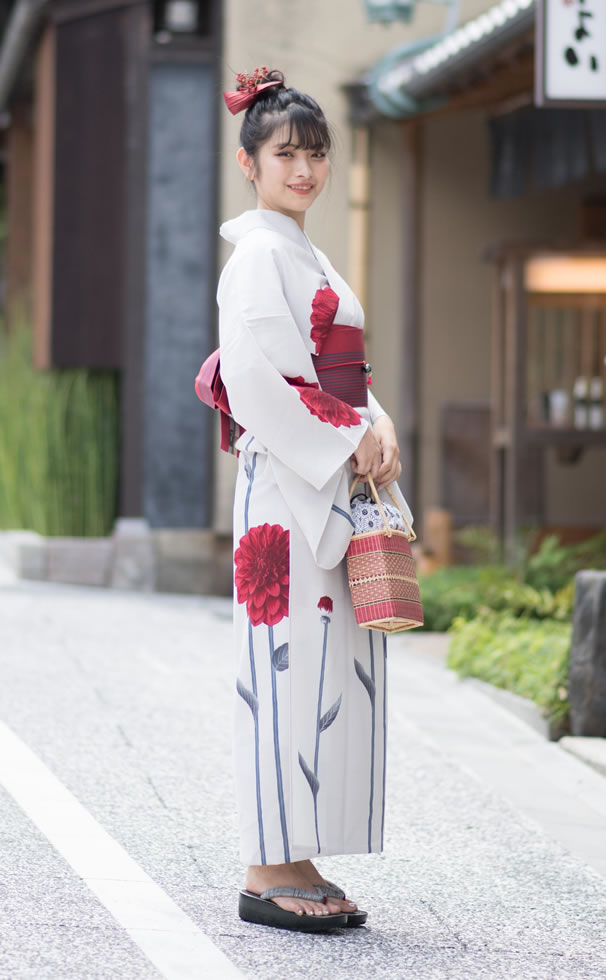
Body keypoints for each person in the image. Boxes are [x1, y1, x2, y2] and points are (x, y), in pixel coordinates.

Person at [216, 67, 414, 932]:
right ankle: (267, 868)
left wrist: (377, 420)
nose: (304, 168)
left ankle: (299, 855)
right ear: (248, 162)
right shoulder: (258, 254)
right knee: (285, 671)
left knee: (323, 667)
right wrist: (348, 432)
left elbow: (340, 372)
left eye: (316, 153)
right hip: (287, 498)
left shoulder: (304, 252)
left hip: (322, 483)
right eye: (285, 153)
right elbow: (263, 381)